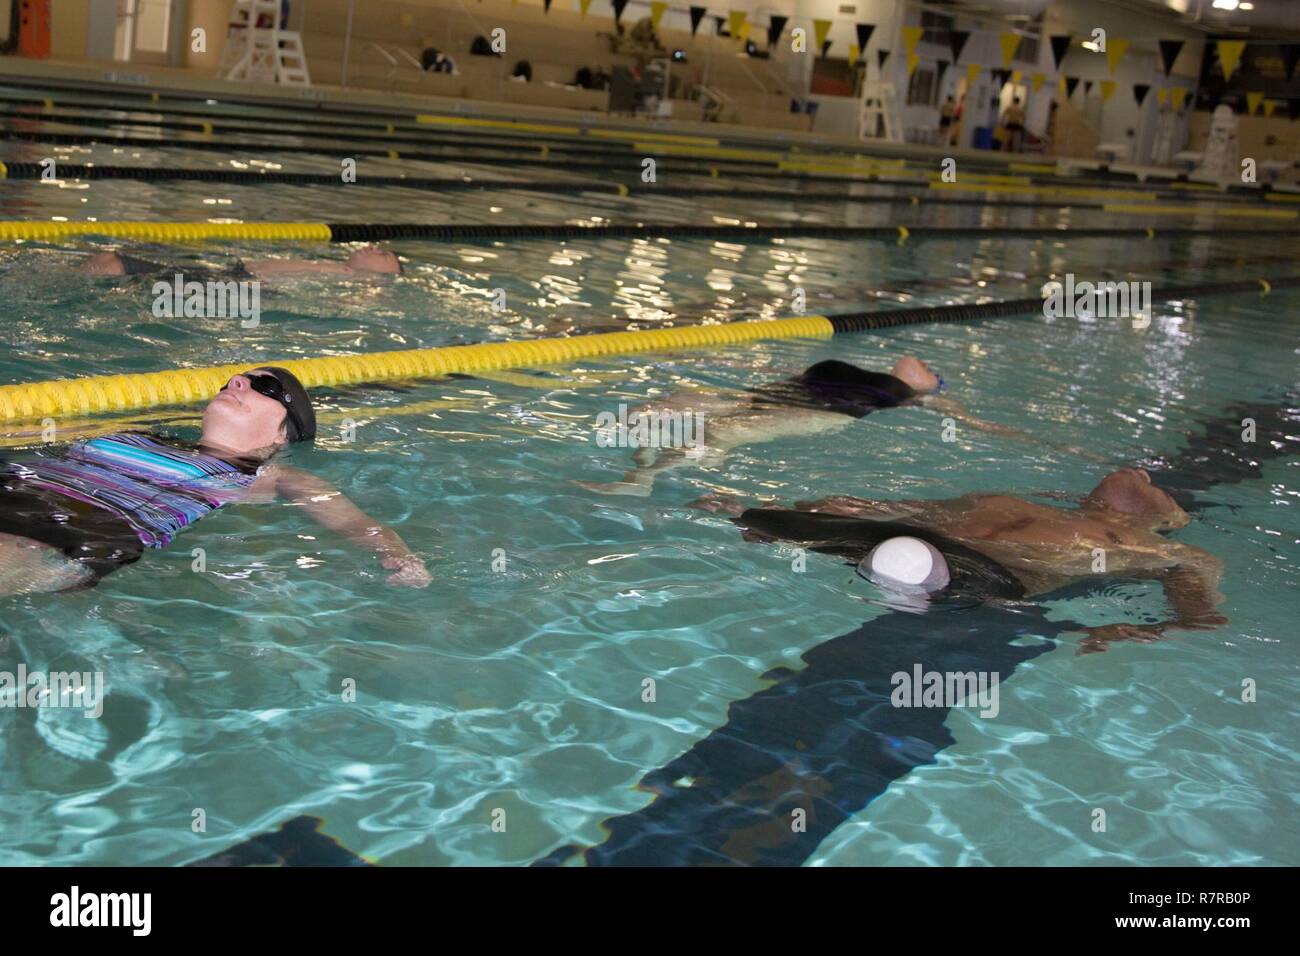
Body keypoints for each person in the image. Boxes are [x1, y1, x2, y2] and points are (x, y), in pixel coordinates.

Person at [696, 467, 1226, 653]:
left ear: (1162, 512)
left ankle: (912, 595)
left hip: (985, 576)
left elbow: (1196, 570)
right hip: (926, 540)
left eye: (1146, 485)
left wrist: (1167, 625)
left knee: (910, 563)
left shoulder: (1140, 542)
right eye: (1136, 480)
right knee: (768, 522)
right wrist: (847, 507)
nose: (1129, 476)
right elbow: (916, 509)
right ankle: (745, 516)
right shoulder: (1011, 502)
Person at [0, 367, 431, 597]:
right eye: (232, 381)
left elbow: (354, 524)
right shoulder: (129, 434)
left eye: (262, 385)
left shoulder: (266, 476)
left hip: (66, 535)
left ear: (284, 434)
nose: (237, 381)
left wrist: (398, 555)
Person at [578, 357, 1087, 497]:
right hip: (780, 392)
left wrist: (1042, 442)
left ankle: (641, 482)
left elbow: (983, 426)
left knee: (716, 435)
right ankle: (640, 460)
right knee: (666, 405)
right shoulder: (890, 374)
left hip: (817, 414)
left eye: (939, 377)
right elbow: (909, 358)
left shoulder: (921, 401)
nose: (929, 368)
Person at [81, 246, 402, 279]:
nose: (373, 247)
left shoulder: (351, 281)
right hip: (230, 278)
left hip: (234, 286)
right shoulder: (337, 271)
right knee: (110, 262)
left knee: (112, 263)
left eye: (383, 254)